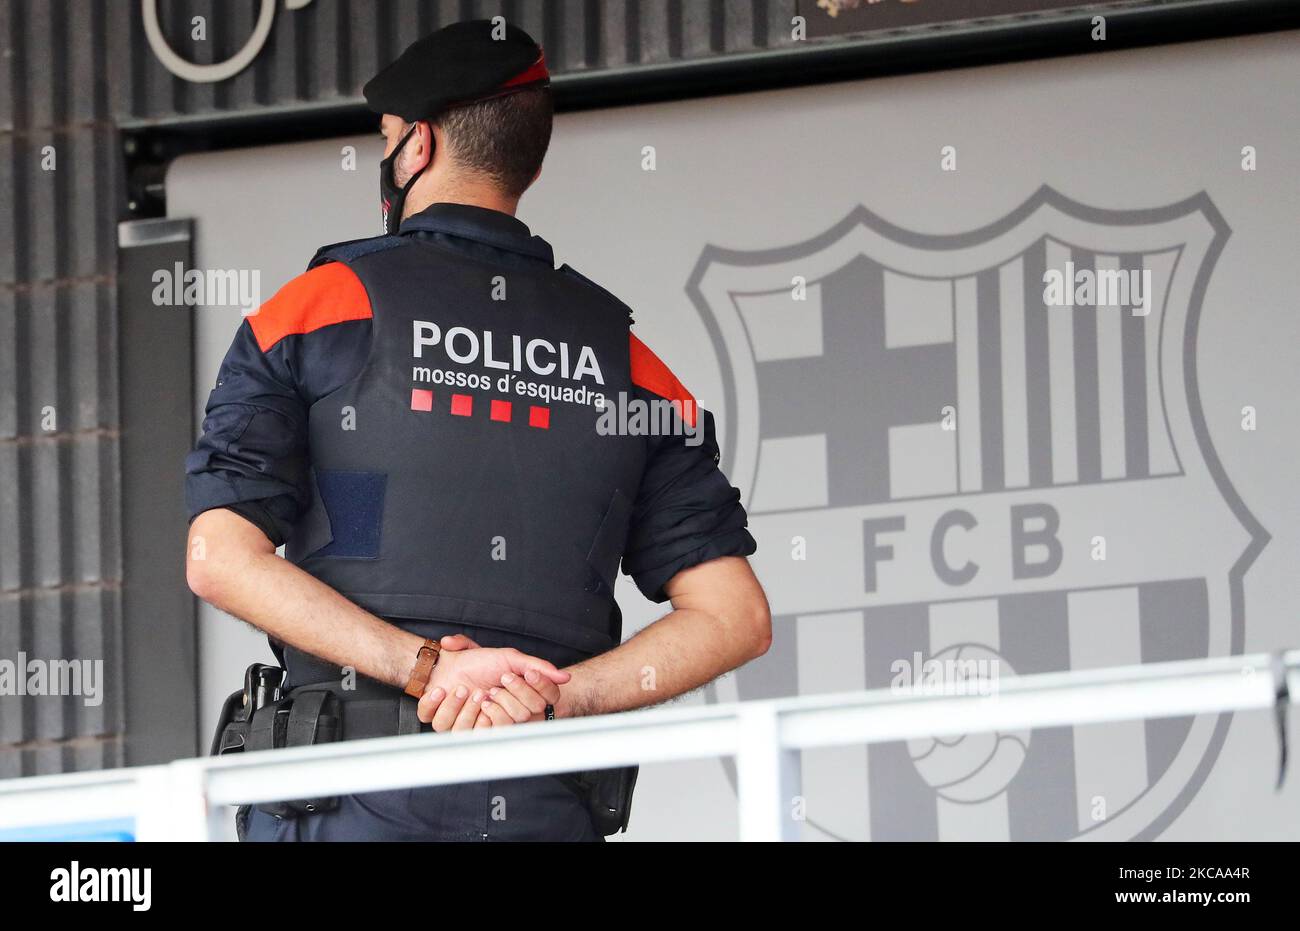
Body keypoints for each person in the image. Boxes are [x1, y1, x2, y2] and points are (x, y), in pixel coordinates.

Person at [185, 18, 770, 842]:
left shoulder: (314, 312)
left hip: (344, 803)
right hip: (542, 810)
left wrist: (429, 668)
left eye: (386, 139)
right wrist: (558, 694)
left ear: (416, 146)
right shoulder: (632, 362)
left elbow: (218, 557)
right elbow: (734, 615)